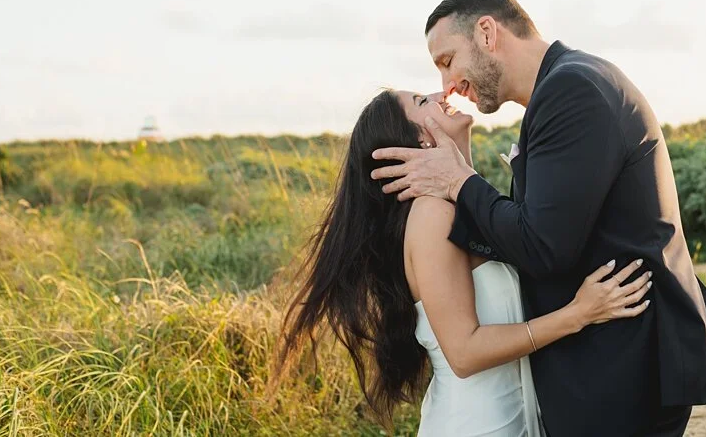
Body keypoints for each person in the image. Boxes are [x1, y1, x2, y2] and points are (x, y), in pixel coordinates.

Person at [371, 0, 706, 436]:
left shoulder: (571, 90)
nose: (447, 85)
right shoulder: (566, 86)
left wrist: (461, 181)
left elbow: (542, 247)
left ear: (486, 33)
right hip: (602, 368)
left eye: (447, 60)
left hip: (617, 365)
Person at [274, 88, 652, 436]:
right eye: (422, 101)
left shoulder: (462, 205)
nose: (443, 92)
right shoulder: (432, 215)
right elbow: (464, 353)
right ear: (421, 139)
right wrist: (578, 314)